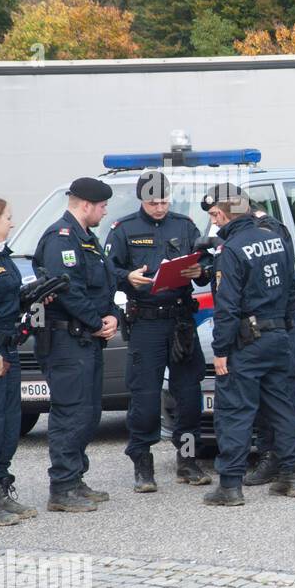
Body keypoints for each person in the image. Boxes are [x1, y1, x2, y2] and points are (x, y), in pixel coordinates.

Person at [105, 170, 211, 492]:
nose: (160, 207)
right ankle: (143, 465)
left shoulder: (184, 225)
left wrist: (200, 270)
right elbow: (107, 272)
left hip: (180, 322)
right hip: (146, 323)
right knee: (145, 398)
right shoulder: (123, 229)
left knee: (190, 396)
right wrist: (127, 278)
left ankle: (188, 461)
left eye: (165, 200)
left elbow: (206, 270)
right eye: (154, 202)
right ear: (142, 199)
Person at [199, 184, 295, 506]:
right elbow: (293, 293)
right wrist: (285, 330)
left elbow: (227, 308)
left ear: (226, 212)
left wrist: (220, 351)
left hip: (247, 343)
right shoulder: (277, 238)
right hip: (279, 337)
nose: (214, 223)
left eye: (215, 215)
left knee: (235, 412)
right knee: (282, 407)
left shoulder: (231, 250)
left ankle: (230, 486)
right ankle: (293, 476)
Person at [31, 178, 120, 513]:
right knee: (70, 412)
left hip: (84, 339)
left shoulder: (87, 239)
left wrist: (112, 315)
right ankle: (62, 487)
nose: (105, 211)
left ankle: (76, 478)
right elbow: (69, 290)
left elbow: (103, 285)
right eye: (102, 206)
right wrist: (98, 323)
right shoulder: (60, 239)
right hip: (66, 340)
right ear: (86, 205)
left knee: (88, 412)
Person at [242, 209, 295, 486]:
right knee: (265, 398)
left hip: (279, 326)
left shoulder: (267, 231)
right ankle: (274, 457)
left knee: (284, 394)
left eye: (216, 214)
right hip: (267, 327)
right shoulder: (246, 233)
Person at [0, 196, 36, 524]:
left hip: (8, 347)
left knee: (8, 423)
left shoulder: (3, 257)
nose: (12, 221)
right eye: (7, 216)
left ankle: (1, 488)